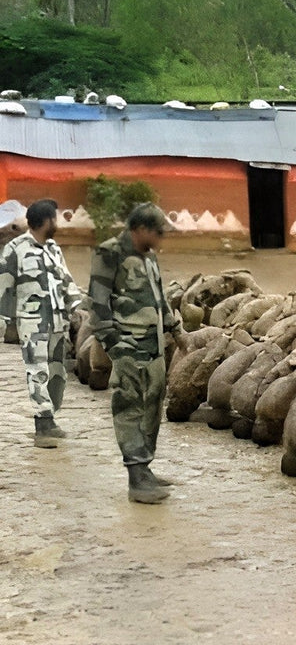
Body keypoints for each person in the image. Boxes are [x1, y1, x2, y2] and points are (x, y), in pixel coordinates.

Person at [89, 203, 186, 504]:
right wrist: (114, 346)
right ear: (140, 229)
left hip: (154, 346)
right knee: (129, 408)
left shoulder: (151, 258)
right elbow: (98, 303)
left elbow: (160, 299)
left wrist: (176, 330)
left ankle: (145, 467)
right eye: (157, 233)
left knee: (153, 407)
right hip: (128, 346)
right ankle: (135, 478)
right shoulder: (110, 253)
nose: (161, 239)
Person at [0, 199, 83, 448]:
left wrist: (77, 306)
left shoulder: (54, 249)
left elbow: (66, 279)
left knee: (58, 373)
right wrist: (4, 322)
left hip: (57, 321)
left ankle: (50, 417)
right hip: (32, 321)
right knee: (38, 372)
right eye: (54, 219)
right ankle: (42, 425)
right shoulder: (15, 249)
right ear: (43, 221)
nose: (57, 223)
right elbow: (4, 286)